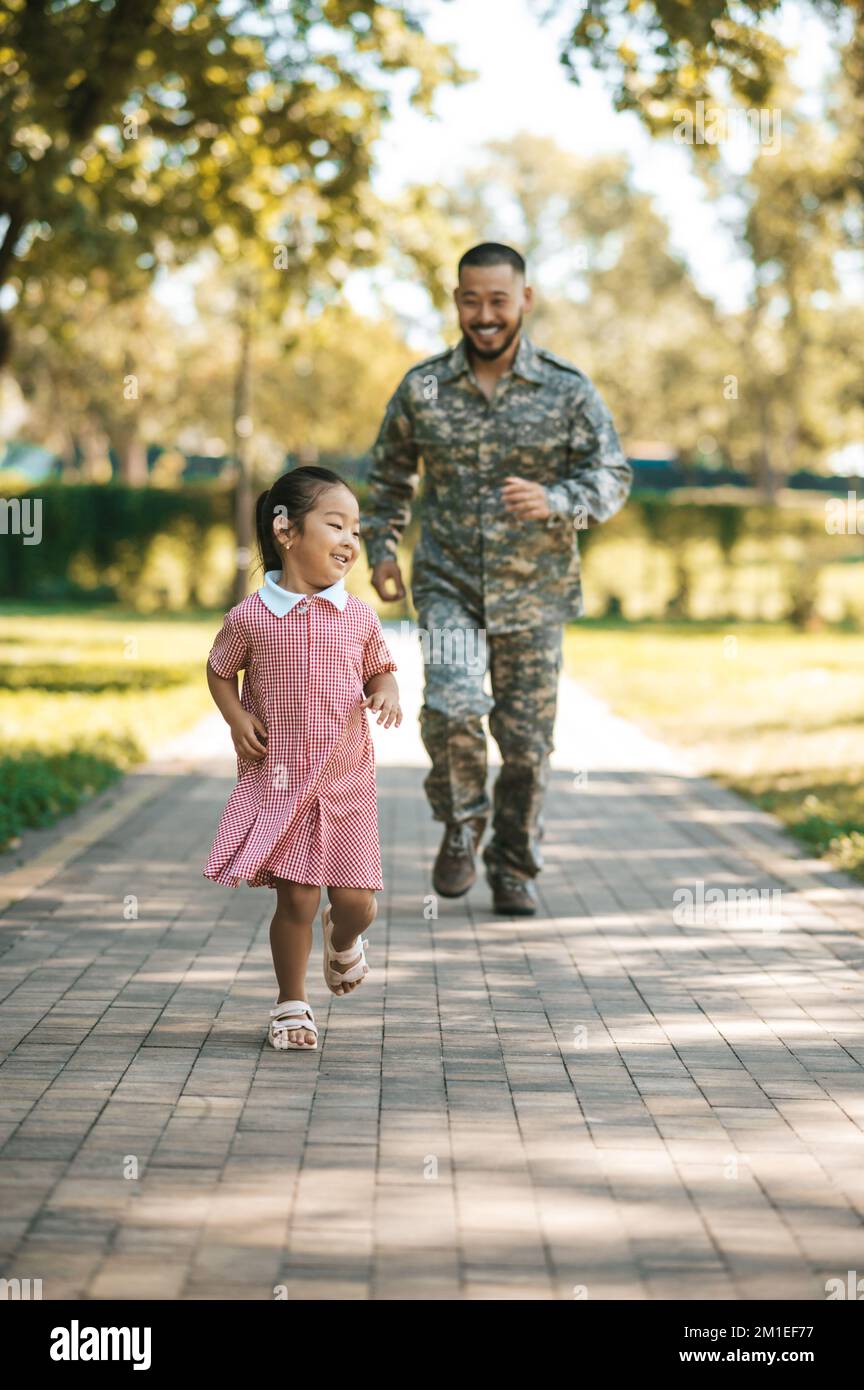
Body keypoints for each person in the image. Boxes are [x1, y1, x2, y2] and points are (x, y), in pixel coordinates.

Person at [363, 242, 632, 916]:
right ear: (456, 301)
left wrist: (559, 499)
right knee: (452, 708)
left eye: (498, 300)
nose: (484, 315)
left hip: (534, 593)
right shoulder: (422, 387)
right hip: (448, 582)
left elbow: (613, 474)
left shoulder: (568, 390)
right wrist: (381, 548)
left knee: (527, 746)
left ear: (525, 301)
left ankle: (513, 865)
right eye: (471, 300)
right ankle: (461, 823)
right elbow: (389, 476)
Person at [203, 467, 401, 1050]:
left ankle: (344, 944)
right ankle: (292, 1005)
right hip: (282, 783)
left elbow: (380, 666)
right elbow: (218, 672)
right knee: (297, 897)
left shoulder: (357, 615)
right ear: (286, 531)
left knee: (356, 901)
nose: (349, 541)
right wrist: (237, 718)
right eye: (336, 525)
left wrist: (387, 689)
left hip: (345, 785)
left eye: (356, 531)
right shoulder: (252, 616)